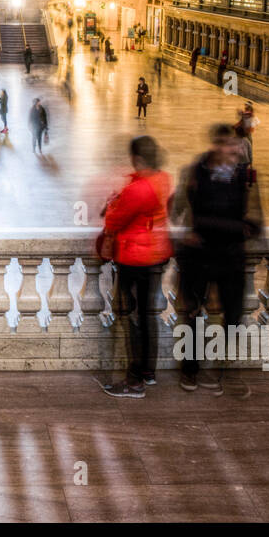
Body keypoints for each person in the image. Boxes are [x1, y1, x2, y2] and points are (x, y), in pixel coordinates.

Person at [171, 123, 263, 395]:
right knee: (193, 315)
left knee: (233, 315)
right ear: (214, 145)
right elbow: (179, 212)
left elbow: (256, 219)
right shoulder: (193, 173)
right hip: (199, 257)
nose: (232, 151)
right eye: (226, 145)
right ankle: (190, 370)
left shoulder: (246, 178)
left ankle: (221, 369)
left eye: (234, 146)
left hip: (231, 257)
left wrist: (215, 226)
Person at [98, 135, 174, 397]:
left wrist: (111, 204)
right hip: (157, 252)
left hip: (136, 256)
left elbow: (115, 219)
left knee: (131, 316)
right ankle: (148, 372)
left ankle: (134, 382)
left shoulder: (139, 189)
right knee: (146, 315)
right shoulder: (162, 179)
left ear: (138, 158)